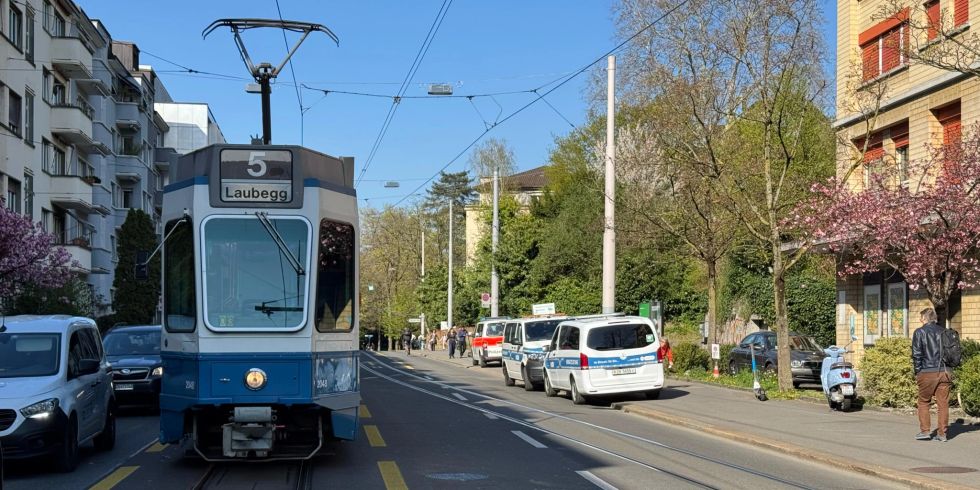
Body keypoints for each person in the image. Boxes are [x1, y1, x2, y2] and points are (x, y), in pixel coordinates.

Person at [911, 307, 954, 442]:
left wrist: (918, 372)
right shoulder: (944, 331)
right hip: (945, 371)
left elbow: (917, 354)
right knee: (943, 404)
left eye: (920, 318)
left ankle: (925, 431)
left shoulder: (920, 332)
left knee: (924, 401)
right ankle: (942, 434)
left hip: (927, 371)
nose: (919, 320)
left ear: (924, 319)